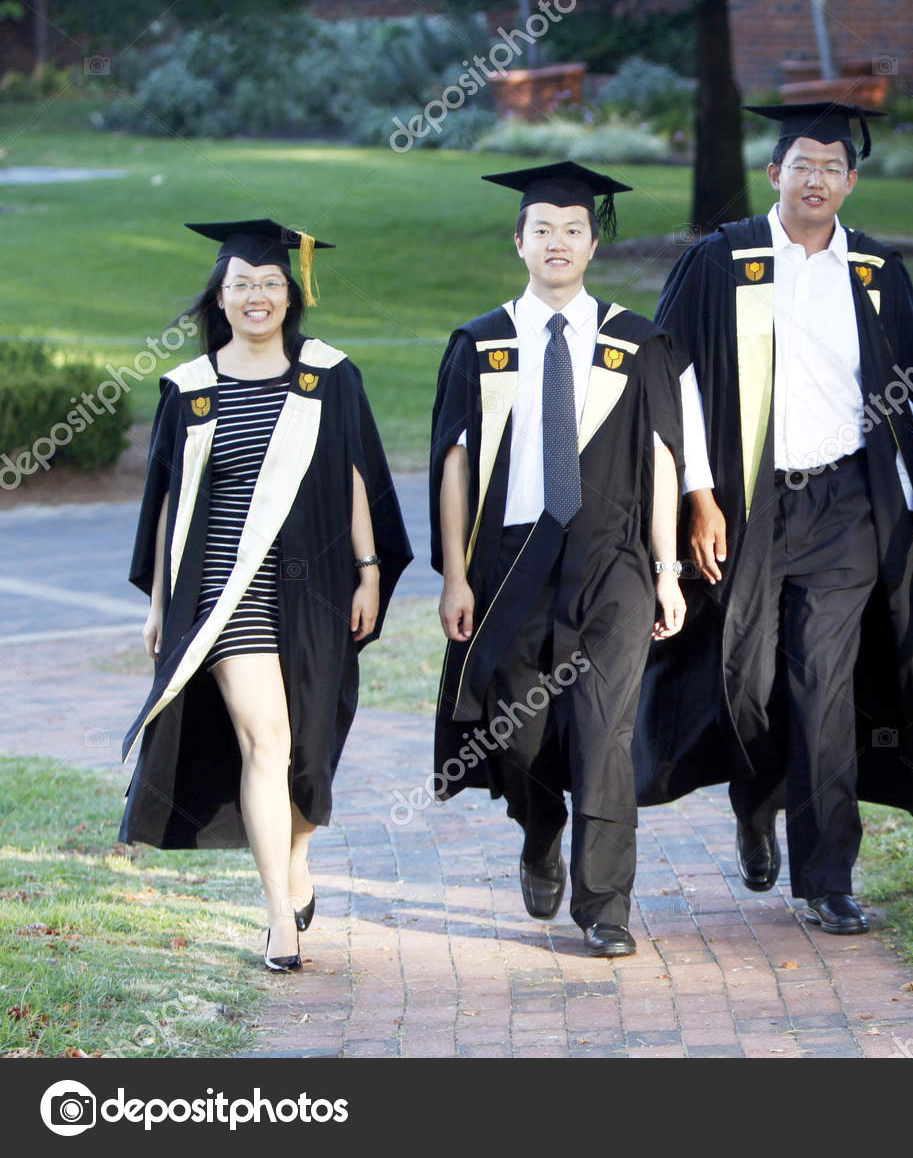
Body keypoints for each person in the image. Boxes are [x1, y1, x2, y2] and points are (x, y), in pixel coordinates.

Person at [633, 102, 913, 935]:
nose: (817, 179)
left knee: (825, 684)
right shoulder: (719, 261)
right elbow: (675, 386)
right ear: (774, 174)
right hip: (744, 505)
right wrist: (698, 496)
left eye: (832, 167)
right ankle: (756, 800)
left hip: (845, 505)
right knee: (750, 678)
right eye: (801, 164)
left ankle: (826, 876)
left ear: (851, 180)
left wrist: (904, 498)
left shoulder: (877, 271)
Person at [122, 219, 411, 972]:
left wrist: (371, 568)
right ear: (220, 296)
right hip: (226, 594)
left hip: (317, 589)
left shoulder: (328, 375)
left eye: (271, 283)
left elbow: (356, 475)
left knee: (315, 742)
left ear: (293, 293)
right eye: (242, 284)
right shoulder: (190, 389)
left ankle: (297, 857)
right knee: (268, 741)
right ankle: (279, 917)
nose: (257, 296)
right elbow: (166, 504)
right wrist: (159, 604)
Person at [430, 162, 685, 958]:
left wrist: (669, 568)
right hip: (510, 564)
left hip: (613, 562)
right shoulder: (481, 344)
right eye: (542, 229)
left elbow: (666, 457)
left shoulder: (635, 343)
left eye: (573, 229)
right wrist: (454, 574)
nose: (558, 242)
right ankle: (539, 832)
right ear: (519, 242)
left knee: (605, 734)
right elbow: (454, 464)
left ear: (594, 242)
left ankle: (604, 906)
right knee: (527, 736)